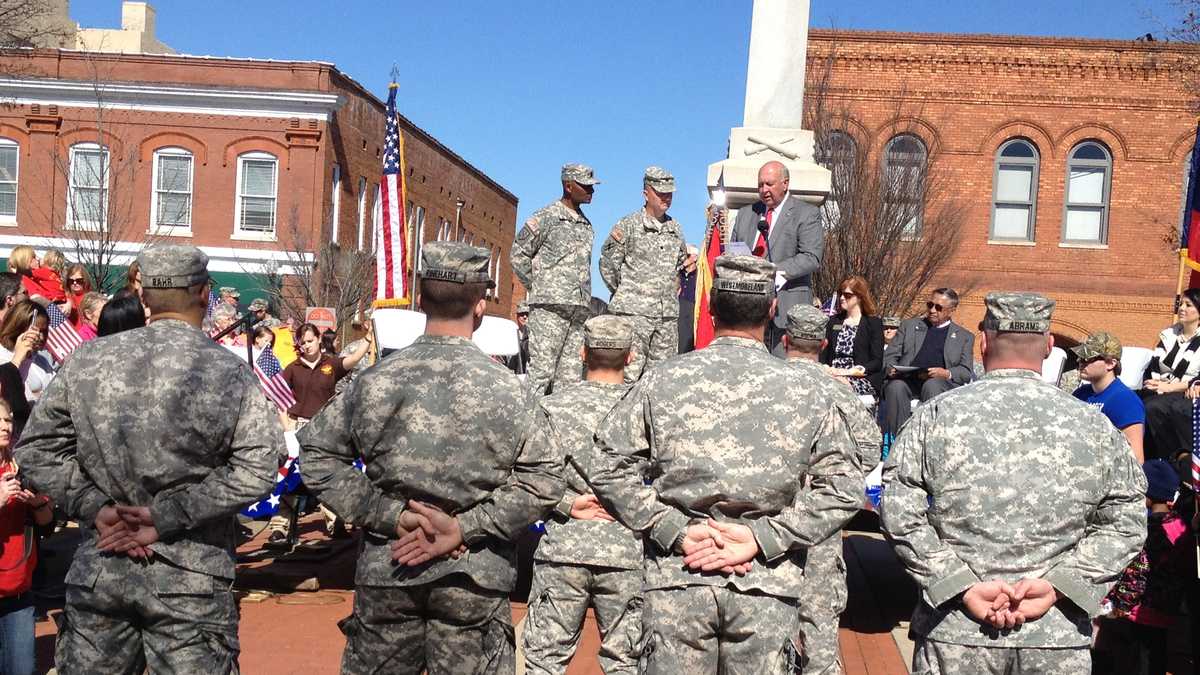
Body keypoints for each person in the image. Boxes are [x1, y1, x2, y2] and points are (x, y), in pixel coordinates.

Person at [583, 254, 862, 674]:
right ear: (772, 310)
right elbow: (844, 487)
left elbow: (605, 463)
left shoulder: (663, 378)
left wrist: (673, 529)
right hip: (766, 585)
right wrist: (765, 537)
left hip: (679, 580)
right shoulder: (807, 390)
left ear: (710, 306)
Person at [14, 244, 282, 673]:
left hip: (102, 570)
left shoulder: (89, 361)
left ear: (144, 296)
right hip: (190, 578)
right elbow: (259, 468)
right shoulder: (226, 371)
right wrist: (163, 517)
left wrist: (96, 508)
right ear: (202, 293)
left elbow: (34, 450)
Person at [300, 241, 564, 674]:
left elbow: (316, 455)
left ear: (420, 299)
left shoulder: (373, 382)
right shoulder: (512, 391)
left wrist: (391, 515)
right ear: (480, 307)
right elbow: (546, 479)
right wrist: (464, 528)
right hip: (473, 578)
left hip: (390, 569)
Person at [880, 291, 1146, 674]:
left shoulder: (936, 415)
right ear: (1049, 346)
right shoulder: (1094, 426)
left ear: (984, 342)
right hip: (1054, 634)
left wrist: (957, 583)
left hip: (957, 631)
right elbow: (1127, 521)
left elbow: (898, 508)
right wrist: (1060, 586)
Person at [523, 315, 642, 675]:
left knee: (543, 662)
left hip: (564, 549)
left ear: (582, 353)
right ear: (631, 356)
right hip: (627, 551)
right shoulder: (644, 409)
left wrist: (564, 503)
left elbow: (527, 475)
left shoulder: (550, 407)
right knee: (629, 665)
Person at [783, 303, 881, 675]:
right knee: (819, 617)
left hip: (763, 517)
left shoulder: (764, 380)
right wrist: (833, 483)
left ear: (787, 339)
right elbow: (870, 449)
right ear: (823, 344)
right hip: (821, 516)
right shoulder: (838, 392)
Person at [266, 322, 372, 542]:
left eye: (310, 340)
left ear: (318, 339)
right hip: (298, 426)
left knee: (327, 475)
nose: (307, 345)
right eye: (302, 342)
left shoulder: (330, 364)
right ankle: (280, 526)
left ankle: (336, 523)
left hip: (324, 429)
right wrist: (288, 431)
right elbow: (280, 402)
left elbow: (351, 361)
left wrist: (367, 341)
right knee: (291, 480)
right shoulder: (292, 368)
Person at [1092, 459, 1194, 675]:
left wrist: (1112, 601)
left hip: (1130, 613)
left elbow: (1128, 567)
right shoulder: (1180, 528)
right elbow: (1187, 567)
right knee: (1155, 659)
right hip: (1164, 612)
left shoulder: (1141, 528)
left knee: (1127, 663)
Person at [511, 163, 600, 396]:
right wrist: (538, 285)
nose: (591, 192)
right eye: (586, 186)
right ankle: (528, 428)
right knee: (541, 373)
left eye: (592, 187)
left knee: (569, 378)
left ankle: (559, 430)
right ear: (569, 186)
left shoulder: (586, 225)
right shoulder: (546, 217)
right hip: (549, 308)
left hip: (577, 309)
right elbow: (518, 254)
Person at [599, 166, 688, 383]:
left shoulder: (675, 228)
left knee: (659, 379)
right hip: (633, 314)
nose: (666, 197)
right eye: (660, 192)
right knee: (627, 376)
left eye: (670, 193)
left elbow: (679, 267)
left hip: (665, 317)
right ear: (646, 193)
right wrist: (627, 294)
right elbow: (608, 265)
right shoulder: (628, 225)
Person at [730, 160, 824, 356]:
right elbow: (733, 253)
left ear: (785, 183)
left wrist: (773, 272)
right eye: (760, 185)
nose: (764, 189)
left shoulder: (806, 213)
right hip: (748, 312)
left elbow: (811, 257)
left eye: (769, 184)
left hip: (786, 309)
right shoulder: (746, 214)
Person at [0, 398, 53, 675]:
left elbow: (46, 525)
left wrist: (37, 504)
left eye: (7, 420)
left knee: (22, 669)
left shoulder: (22, 467)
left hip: (18, 591)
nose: (4, 426)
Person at [881, 288, 974, 439]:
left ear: (951, 310)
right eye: (930, 304)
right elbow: (889, 356)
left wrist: (946, 373)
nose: (932, 310)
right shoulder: (909, 326)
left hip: (938, 383)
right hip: (907, 379)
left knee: (932, 385)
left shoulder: (964, 337)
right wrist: (890, 368)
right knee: (896, 387)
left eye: (938, 307)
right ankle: (897, 441)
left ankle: (928, 440)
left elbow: (965, 371)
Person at [1139, 288, 1200, 461]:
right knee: (1131, 402)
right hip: (1157, 389)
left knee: (1154, 407)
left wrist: (1169, 387)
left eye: (1189, 305)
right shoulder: (1168, 336)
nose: (1182, 308)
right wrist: (1153, 383)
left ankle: (1174, 461)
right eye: (1181, 304)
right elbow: (1153, 366)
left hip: (1185, 392)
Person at [1072, 331, 1145, 462]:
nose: (1080, 362)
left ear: (1110, 363)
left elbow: (1136, 458)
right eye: (1079, 357)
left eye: (1087, 358)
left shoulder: (1125, 400)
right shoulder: (1080, 394)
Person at [819, 275, 884, 400]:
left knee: (838, 386)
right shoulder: (833, 322)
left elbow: (877, 362)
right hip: (832, 374)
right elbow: (823, 353)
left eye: (848, 295)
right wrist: (826, 368)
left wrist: (848, 372)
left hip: (860, 377)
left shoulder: (873, 324)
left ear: (859, 297)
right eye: (841, 294)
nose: (842, 298)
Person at [0, 301, 52, 402]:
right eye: (36, 330)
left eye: (44, 331)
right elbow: (12, 400)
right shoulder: (2, 357)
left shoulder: (41, 359)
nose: (40, 336)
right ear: (18, 327)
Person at [677, 244, 699, 354]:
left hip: (691, 314)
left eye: (686, 255)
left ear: (694, 257)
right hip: (677, 312)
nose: (682, 258)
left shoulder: (700, 277)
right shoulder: (677, 274)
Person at [504, 301, 531, 376]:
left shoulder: (534, 337)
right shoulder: (510, 335)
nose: (525, 317)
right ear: (517, 316)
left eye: (527, 314)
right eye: (522, 314)